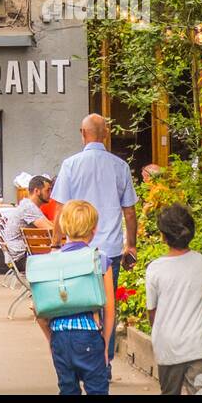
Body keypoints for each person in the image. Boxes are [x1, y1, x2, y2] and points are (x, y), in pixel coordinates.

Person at [50, 113, 137, 366]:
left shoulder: (71, 165)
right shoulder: (120, 166)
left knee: (78, 304)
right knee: (107, 305)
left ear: (82, 133)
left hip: (76, 250)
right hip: (109, 250)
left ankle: (81, 359)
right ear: (106, 134)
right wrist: (131, 245)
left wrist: (56, 243)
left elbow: (59, 209)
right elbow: (129, 212)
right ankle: (105, 360)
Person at [146, 203, 202, 396]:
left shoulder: (155, 269)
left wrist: (157, 331)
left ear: (164, 237)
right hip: (199, 346)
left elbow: (152, 311)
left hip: (169, 346)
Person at [36, 199, 115, 397]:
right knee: (97, 390)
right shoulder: (100, 259)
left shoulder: (50, 261)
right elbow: (109, 309)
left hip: (59, 335)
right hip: (88, 334)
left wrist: (51, 339)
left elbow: (39, 310)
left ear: (63, 226)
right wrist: (105, 345)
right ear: (94, 229)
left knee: (67, 390)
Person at [3, 174, 53, 266]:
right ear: (37, 191)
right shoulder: (29, 207)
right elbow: (50, 229)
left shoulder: (28, 204)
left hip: (16, 255)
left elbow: (49, 225)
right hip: (21, 258)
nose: (50, 193)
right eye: (48, 190)